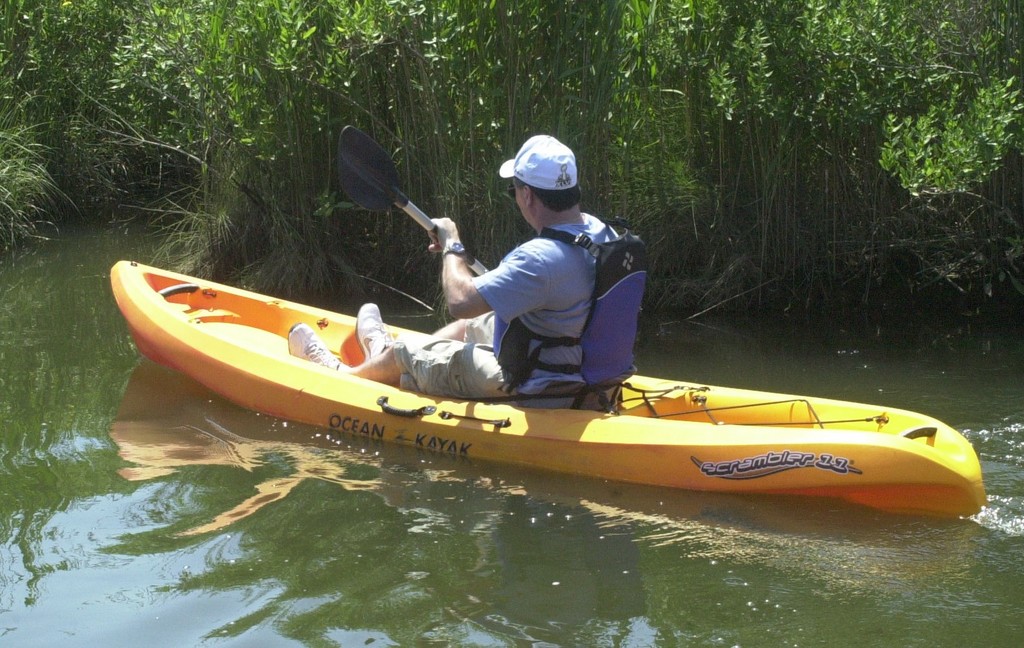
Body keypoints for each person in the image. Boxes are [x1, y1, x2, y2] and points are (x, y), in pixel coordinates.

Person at [288, 134, 637, 408]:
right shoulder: (604, 233)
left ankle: (347, 375)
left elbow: (460, 301)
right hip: (582, 365)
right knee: (473, 326)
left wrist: (452, 246)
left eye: (513, 190)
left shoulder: (540, 259)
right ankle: (380, 357)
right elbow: (517, 293)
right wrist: (458, 255)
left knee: (406, 351)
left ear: (528, 196)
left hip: (539, 383)